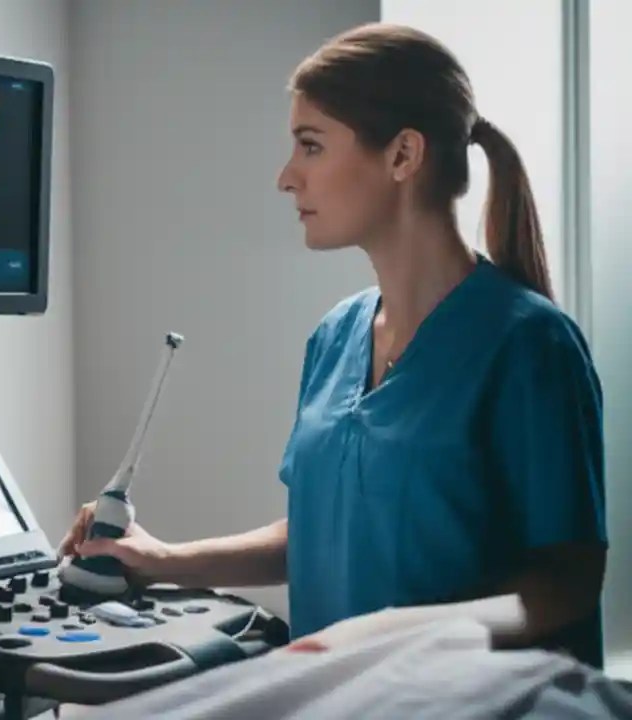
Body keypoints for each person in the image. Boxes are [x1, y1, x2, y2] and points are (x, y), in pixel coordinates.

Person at [57, 22, 608, 668]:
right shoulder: (335, 338)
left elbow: (564, 586)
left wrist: (390, 636)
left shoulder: (530, 346)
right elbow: (319, 534)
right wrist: (159, 561)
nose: (287, 178)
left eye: (311, 146)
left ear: (403, 156)